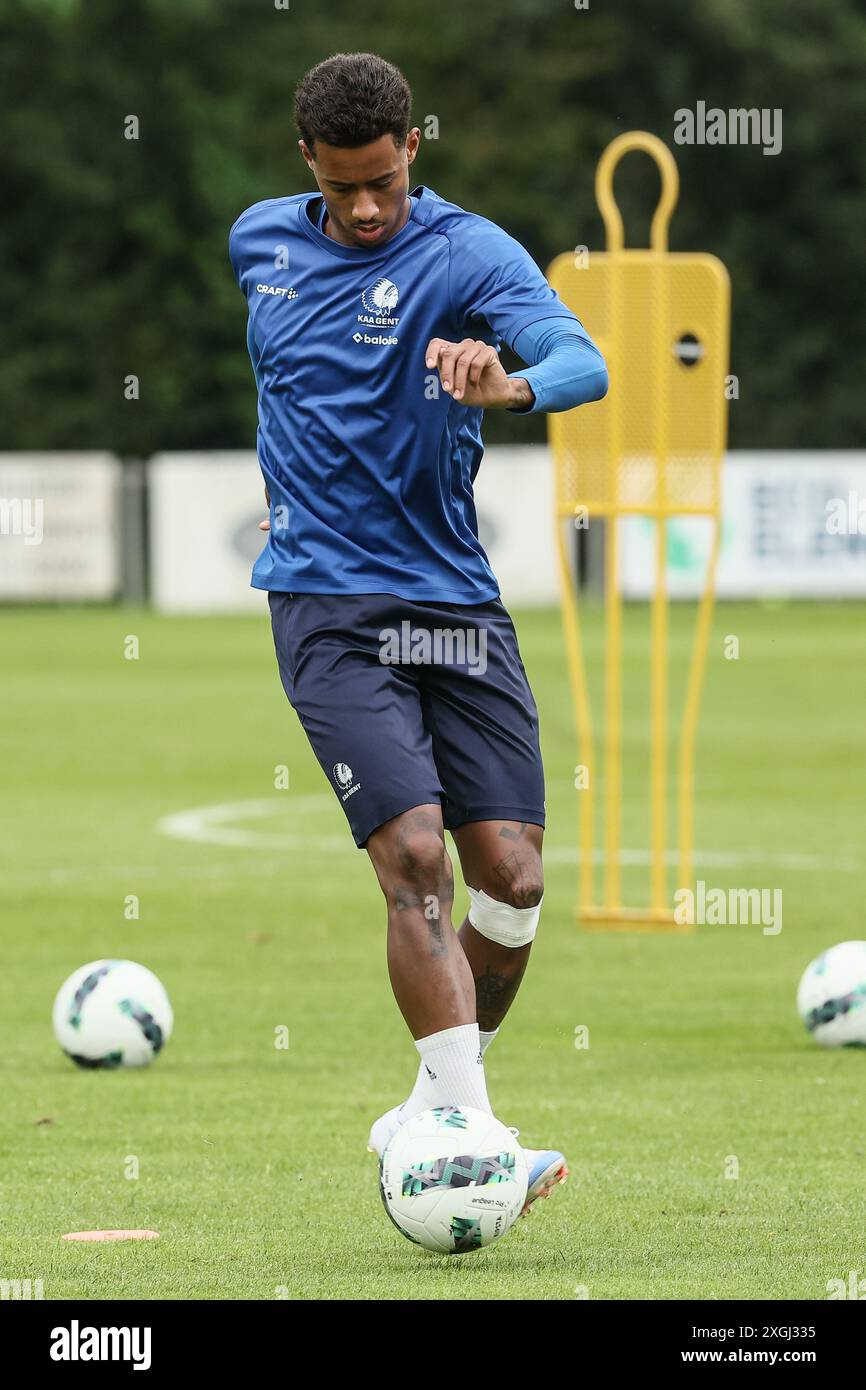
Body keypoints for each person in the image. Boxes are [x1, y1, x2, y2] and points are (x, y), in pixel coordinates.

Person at [229, 51, 607, 1214]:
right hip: (328, 607)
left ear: (412, 153)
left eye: (383, 183)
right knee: (413, 857)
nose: (364, 208)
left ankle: (436, 1098)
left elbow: (582, 359)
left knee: (514, 876)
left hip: (452, 606)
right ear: (307, 164)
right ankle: (470, 1141)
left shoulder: (464, 251)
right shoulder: (258, 244)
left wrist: (505, 387)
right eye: (342, 188)